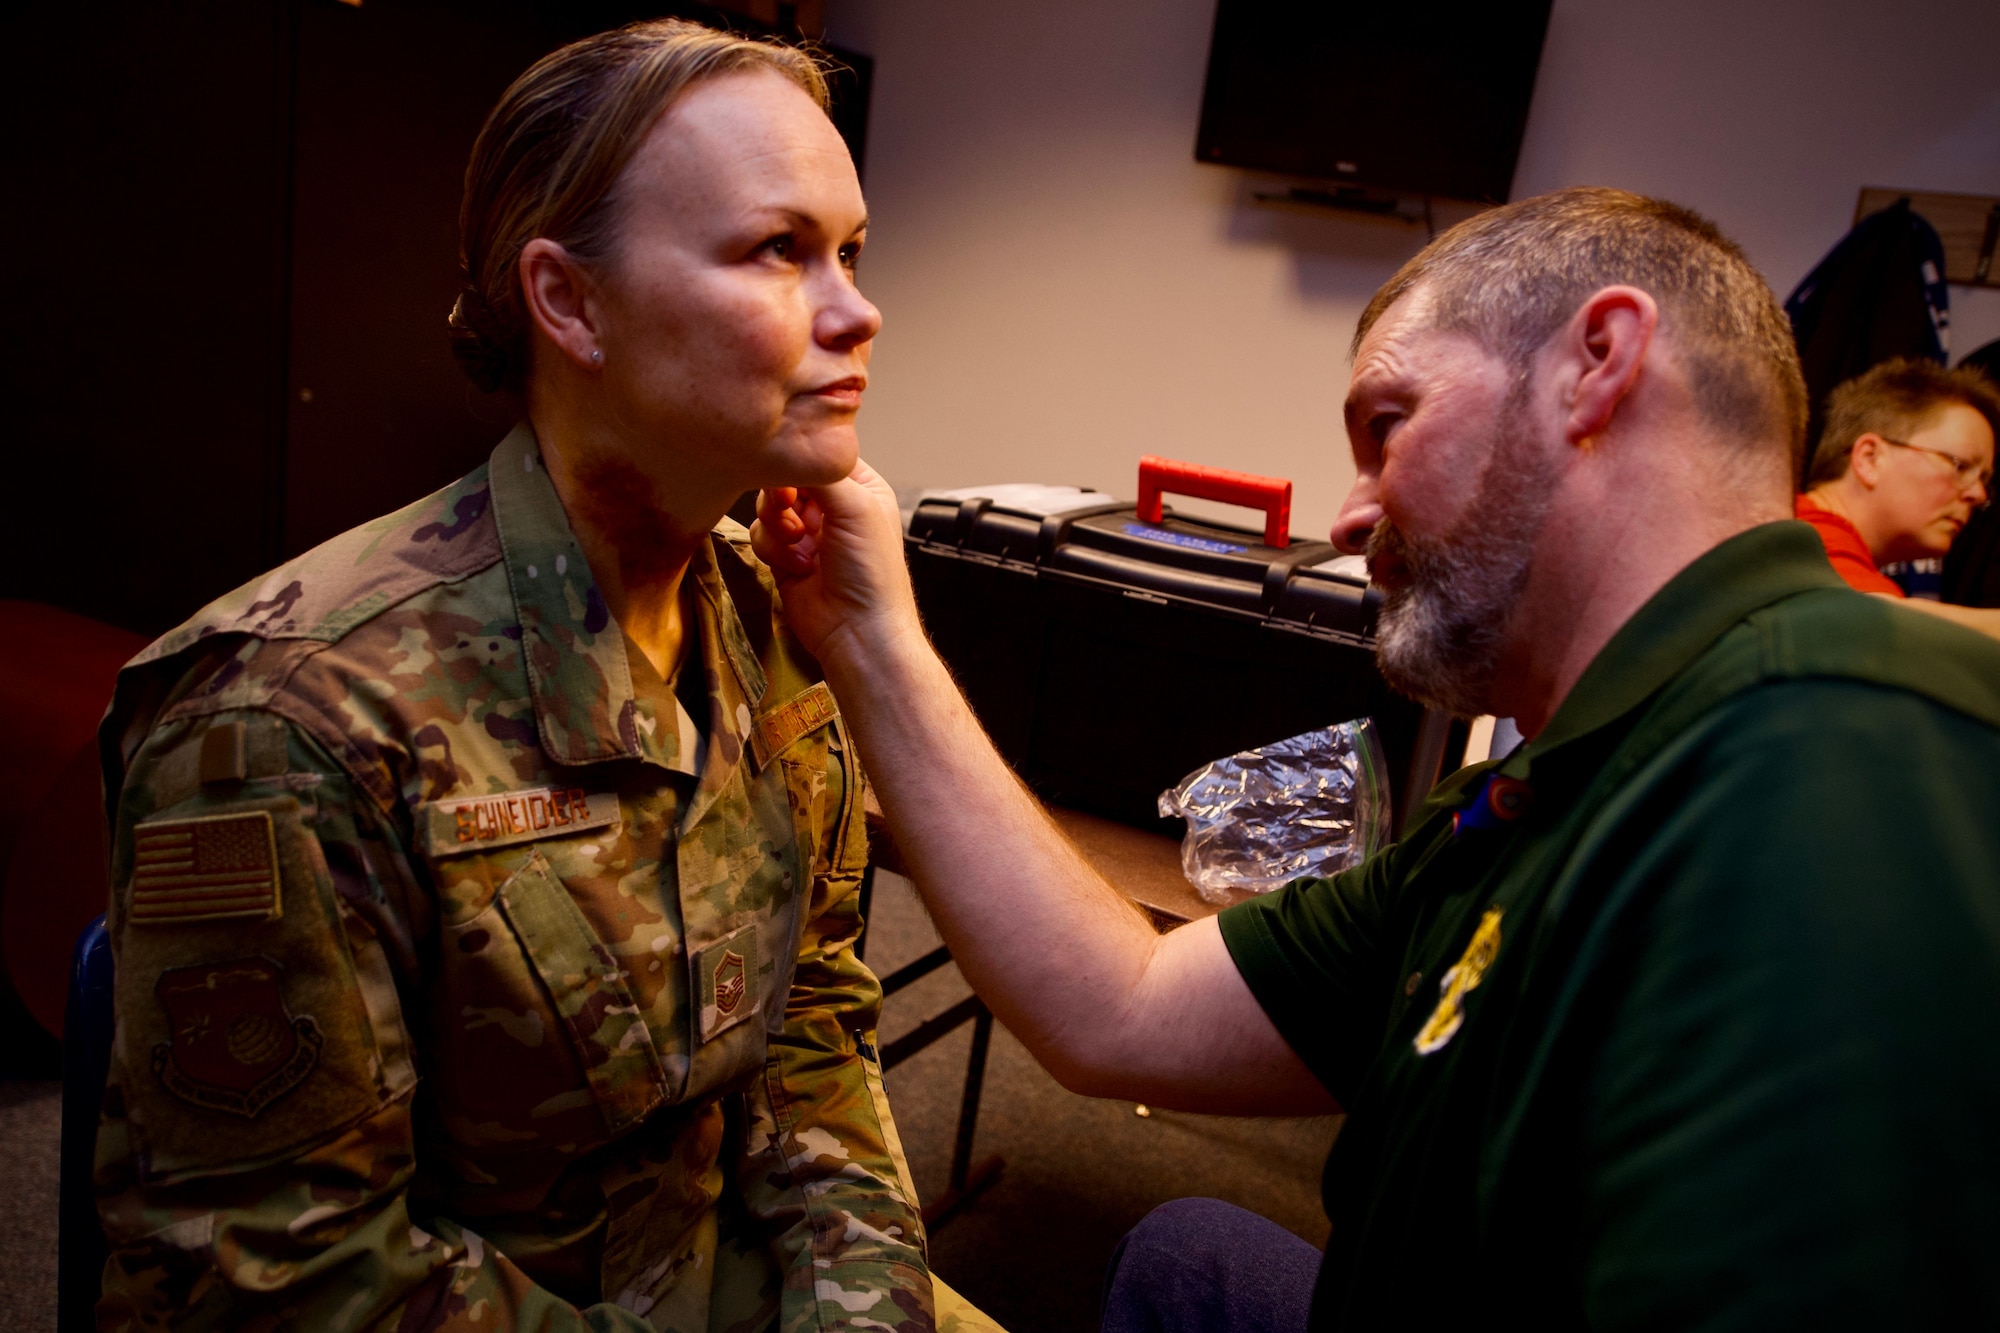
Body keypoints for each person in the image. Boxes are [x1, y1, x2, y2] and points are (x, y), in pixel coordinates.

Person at [754, 187, 2000, 1327]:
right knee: (1187, 1249)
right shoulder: (1529, 803)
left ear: (1596, 364)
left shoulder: (1822, 746)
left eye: (1386, 424)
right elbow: (1117, 1005)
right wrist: (868, 633)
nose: (1350, 516)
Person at [93, 21, 991, 1333]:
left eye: (850, 250)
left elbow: (812, 1030)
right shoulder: (289, 719)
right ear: (570, 303)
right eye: (777, 251)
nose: (859, 309)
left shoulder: (768, 614)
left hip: (700, 1267)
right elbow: (296, 1277)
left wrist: (862, 1312)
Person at [1795, 356, 2000, 639]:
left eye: (1984, 480)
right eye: (1961, 466)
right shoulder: (1802, 541)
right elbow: (1861, 618)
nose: (1978, 494)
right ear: (1870, 458)